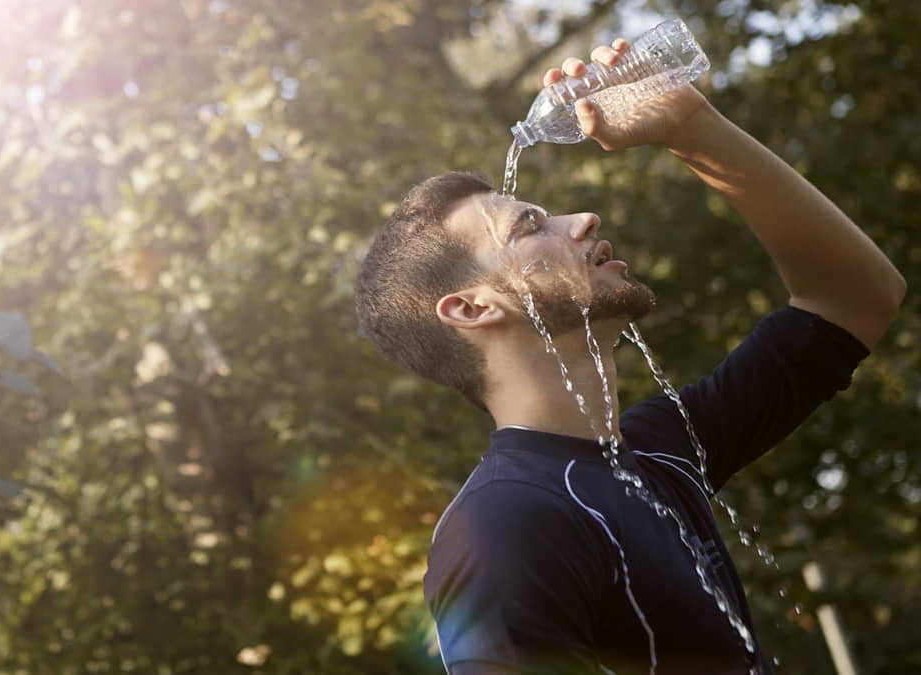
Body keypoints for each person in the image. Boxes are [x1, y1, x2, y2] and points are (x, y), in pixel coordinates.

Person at [353, 36, 906, 674]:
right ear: (473, 309)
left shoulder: (661, 449)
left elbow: (854, 299)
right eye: (530, 226)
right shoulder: (502, 524)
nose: (584, 219)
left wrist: (691, 126)